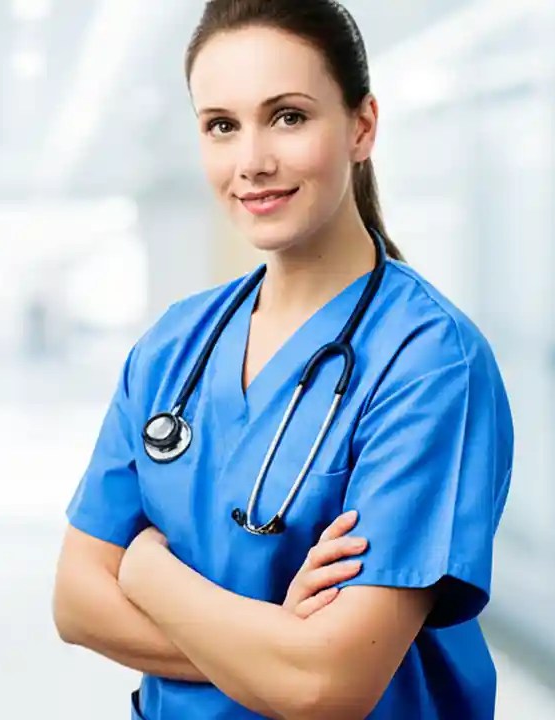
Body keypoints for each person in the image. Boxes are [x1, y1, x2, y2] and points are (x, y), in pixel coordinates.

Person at [51, 1, 515, 718]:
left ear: (362, 126)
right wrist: (273, 642)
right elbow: (77, 603)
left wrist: (145, 570)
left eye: (289, 116)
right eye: (222, 126)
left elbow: (326, 686)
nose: (252, 162)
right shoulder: (175, 347)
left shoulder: (427, 363)